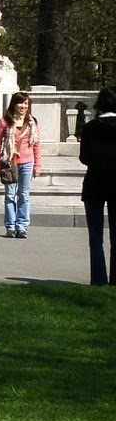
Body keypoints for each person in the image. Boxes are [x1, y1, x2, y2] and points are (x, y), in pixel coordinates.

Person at [79, 85, 116, 285]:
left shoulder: (89, 128)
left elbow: (84, 157)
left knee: (95, 235)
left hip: (94, 184)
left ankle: (98, 278)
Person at [0, 91, 41, 238]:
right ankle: (10, 226)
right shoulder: (4, 122)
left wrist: (38, 165)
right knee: (10, 195)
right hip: (9, 162)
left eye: (26, 104)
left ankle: (22, 226)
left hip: (27, 162)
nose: (23, 106)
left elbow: (37, 144)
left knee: (24, 194)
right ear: (14, 104)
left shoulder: (32, 122)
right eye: (21, 103)